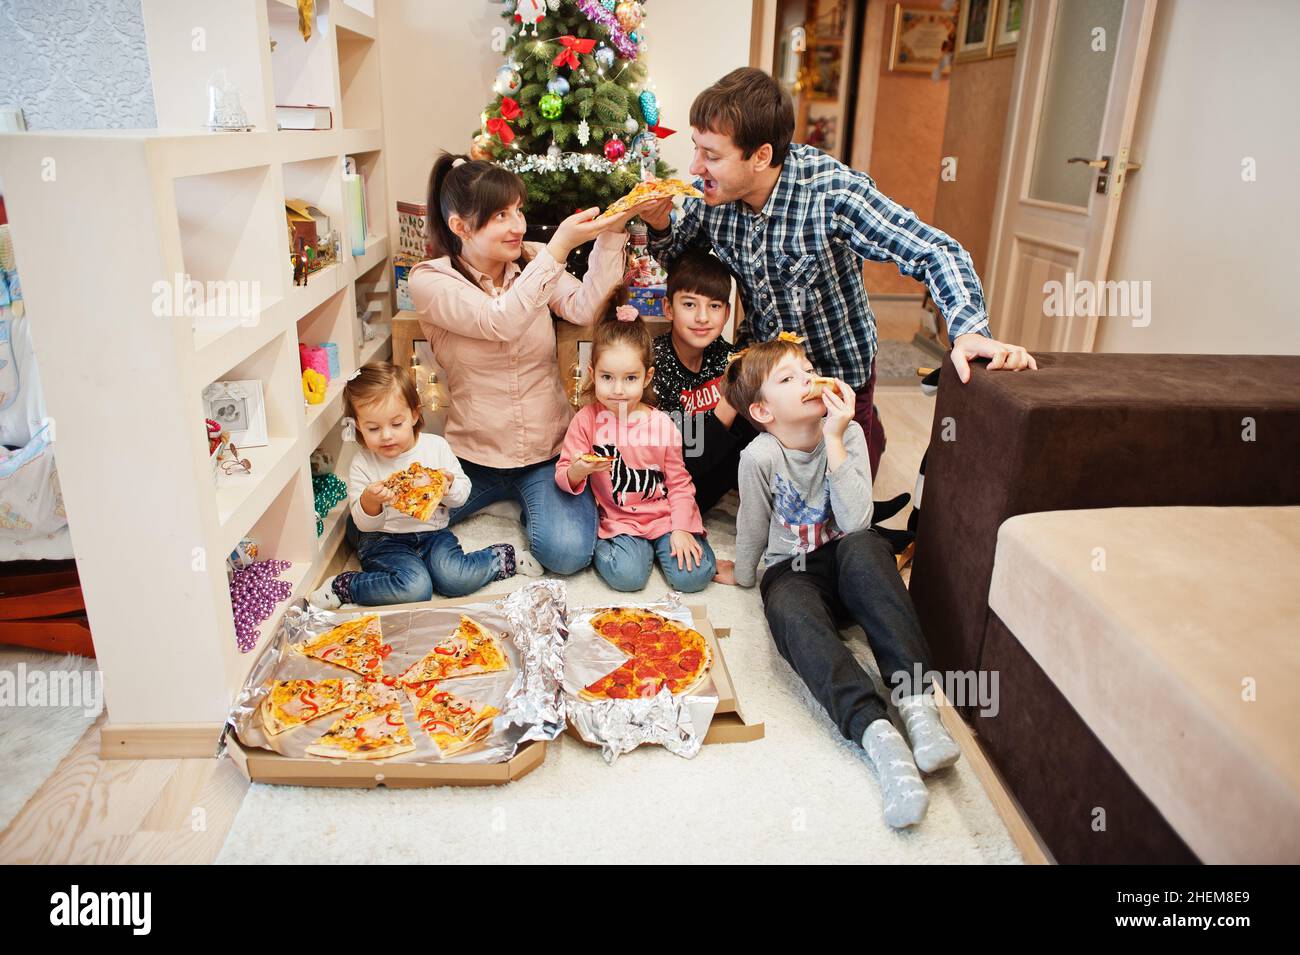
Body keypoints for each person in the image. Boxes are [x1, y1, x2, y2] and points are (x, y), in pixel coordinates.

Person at [639, 67, 1036, 477]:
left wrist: (968, 329)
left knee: (843, 500)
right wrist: (659, 225)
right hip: (766, 374)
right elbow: (678, 262)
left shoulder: (832, 192)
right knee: (773, 487)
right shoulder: (712, 198)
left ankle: (870, 431)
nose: (694, 167)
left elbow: (936, 250)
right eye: (696, 148)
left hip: (838, 375)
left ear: (760, 156)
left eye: (712, 155)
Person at [714, 336, 961, 829]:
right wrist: (743, 574)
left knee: (869, 547)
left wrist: (836, 436)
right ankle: (880, 739)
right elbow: (753, 526)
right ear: (763, 411)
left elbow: (855, 521)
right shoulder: (758, 457)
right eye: (789, 378)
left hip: (847, 554)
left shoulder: (844, 435)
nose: (807, 380)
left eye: (807, 370)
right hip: (792, 570)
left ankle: (918, 708)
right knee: (786, 612)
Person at [408, 153, 657, 575]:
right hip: (472, 455)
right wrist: (558, 248)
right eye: (501, 215)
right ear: (460, 226)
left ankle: (525, 502)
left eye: (519, 210)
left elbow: (582, 307)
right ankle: (502, 522)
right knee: (395, 529)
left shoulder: (532, 259)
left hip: (547, 451)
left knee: (567, 554)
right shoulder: (431, 280)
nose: (518, 225)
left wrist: (613, 230)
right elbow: (498, 319)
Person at [311, 362, 540, 609]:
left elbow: (462, 495)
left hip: (434, 533)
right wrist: (371, 501)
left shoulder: (436, 447)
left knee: (455, 578)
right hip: (384, 539)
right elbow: (364, 524)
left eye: (396, 424)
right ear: (358, 427)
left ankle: (505, 558)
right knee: (416, 588)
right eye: (373, 428)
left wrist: (447, 486)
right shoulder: (363, 463)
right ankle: (344, 586)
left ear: (414, 414)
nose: (386, 435)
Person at [556, 299, 717, 593]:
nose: (618, 390)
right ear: (593, 374)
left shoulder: (662, 424)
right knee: (627, 577)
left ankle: (664, 546)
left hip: (664, 517)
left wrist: (681, 528)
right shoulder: (585, 421)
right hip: (620, 522)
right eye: (607, 378)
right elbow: (563, 475)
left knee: (695, 575)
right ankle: (615, 548)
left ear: (647, 377)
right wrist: (578, 470)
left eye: (630, 378)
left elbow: (679, 483)